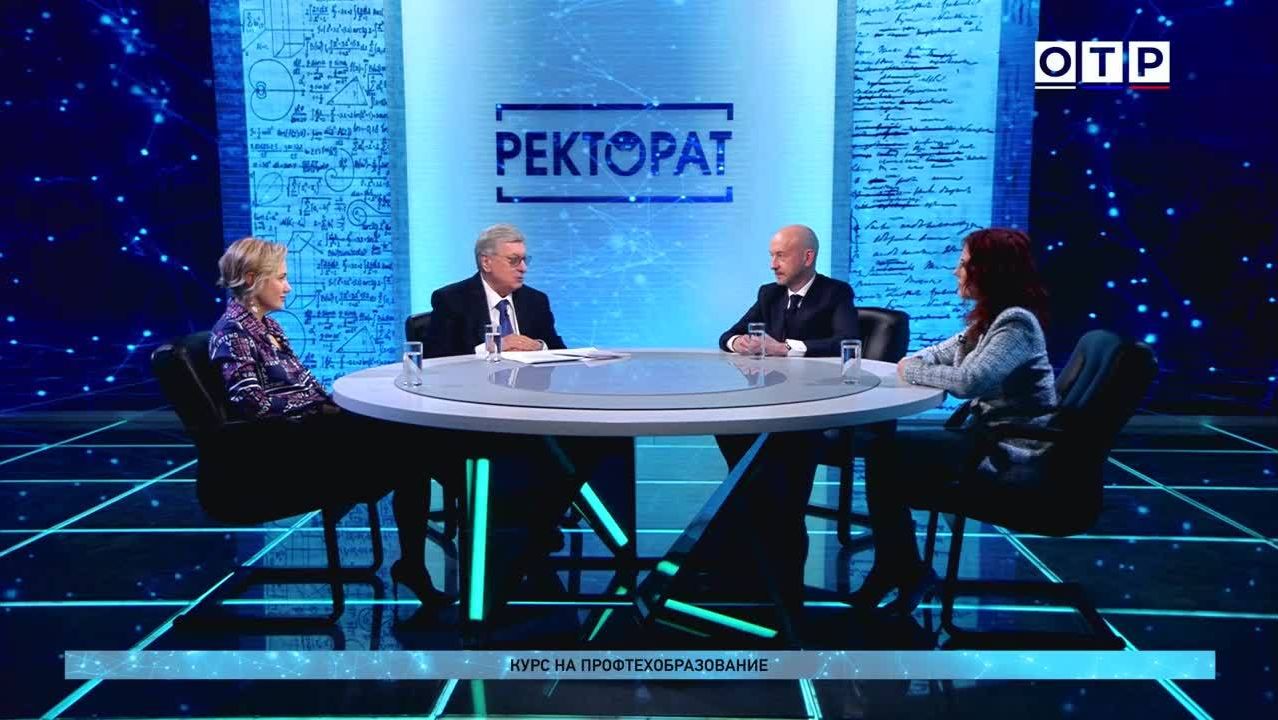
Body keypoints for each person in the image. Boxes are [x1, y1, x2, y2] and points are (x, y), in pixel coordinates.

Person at [209, 237, 451, 609]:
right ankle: (415, 555)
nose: (288, 287)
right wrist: (318, 406)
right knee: (412, 451)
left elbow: (305, 387)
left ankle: (413, 558)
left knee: (412, 446)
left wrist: (326, 404)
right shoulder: (233, 332)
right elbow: (252, 403)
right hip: (281, 447)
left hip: (311, 432)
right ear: (253, 279)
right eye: (281, 278)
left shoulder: (269, 327)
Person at [855, 227, 1055, 613]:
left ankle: (900, 568)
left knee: (886, 454)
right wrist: (915, 363)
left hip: (1011, 447)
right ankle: (899, 566)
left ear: (989, 271)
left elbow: (968, 381)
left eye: (964, 264)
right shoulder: (989, 321)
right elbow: (940, 353)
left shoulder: (1016, 324)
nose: (955, 271)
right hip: (985, 435)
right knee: (886, 454)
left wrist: (911, 370)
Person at [707, 225, 859, 626]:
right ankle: (750, 522)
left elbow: (846, 341)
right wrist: (739, 343)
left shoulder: (835, 293)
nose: (773, 264)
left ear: (807, 257)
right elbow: (727, 335)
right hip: (770, 403)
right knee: (729, 428)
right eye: (771, 255)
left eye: (781, 256)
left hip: (814, 408)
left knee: (780, 466)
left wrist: (787, 348)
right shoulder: (769, 294)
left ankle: (778, 546)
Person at [422, 223, 565, 358]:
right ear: (486, 262)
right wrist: (491, 348)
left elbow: (560, 352)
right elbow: (436, 357)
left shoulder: (536, 300)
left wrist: (539, 346)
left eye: (524, 260)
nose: (523, 268)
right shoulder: (452, 300)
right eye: (513, 260)